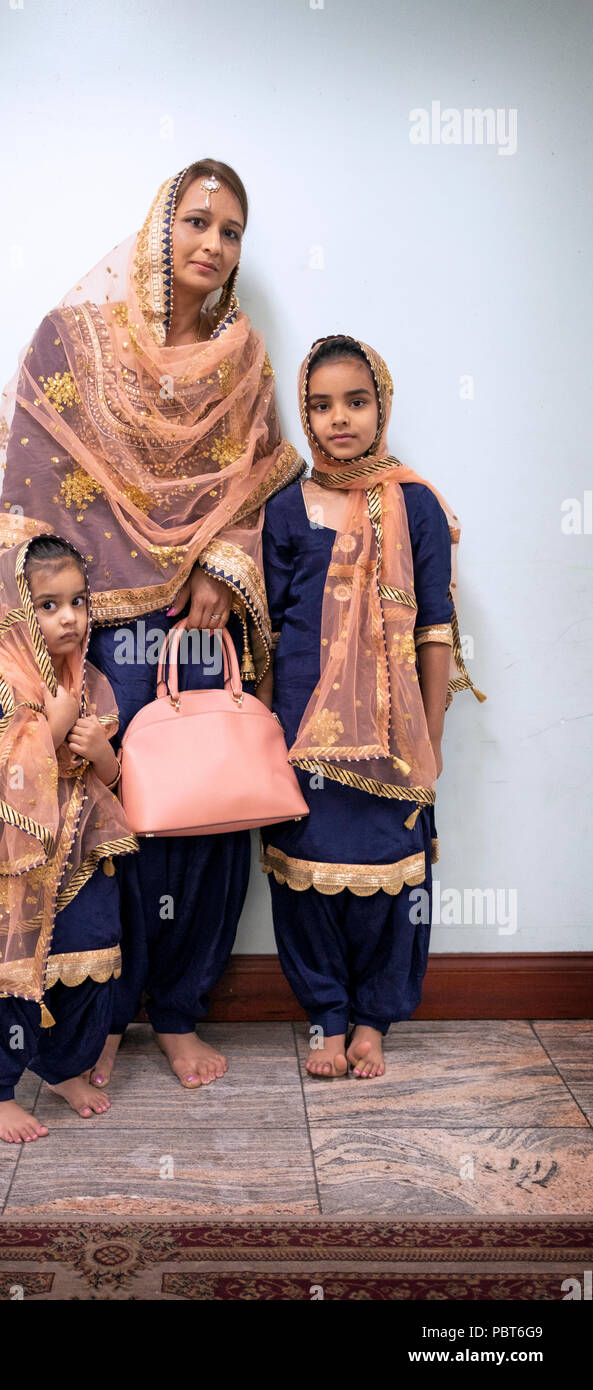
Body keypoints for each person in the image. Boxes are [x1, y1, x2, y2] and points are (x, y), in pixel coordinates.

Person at [0, 161, 304, 1088]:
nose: (211, 245)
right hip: (83, 628)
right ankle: (92, 1023)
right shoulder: (71, 340)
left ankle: (178, 1014)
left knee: (202, 817)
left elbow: (259, 481)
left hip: (186, 628)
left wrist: (224, 566)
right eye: (195, 222)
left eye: (230, 232)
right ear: (157, 229)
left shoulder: (244, 361)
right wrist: (20, 625)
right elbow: (24, 493)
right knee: (90, 830)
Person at [256, 335, 485, 1080]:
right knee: (303, 868)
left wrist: (432, 735)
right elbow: (268, 624)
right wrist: (264, 727)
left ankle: (373, 1019)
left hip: (392, 722)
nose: (337, 420)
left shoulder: (413, 503)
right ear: (305, 414)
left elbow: (433, 626)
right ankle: (325, 1014)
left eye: (354, 401)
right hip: (301, 716)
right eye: (320, 406)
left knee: (392, 866)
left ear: (380, 405)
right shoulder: (286, 505)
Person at [0, 533, 138, 1142]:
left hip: (80, 853)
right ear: (17, 611)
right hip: (15, 863)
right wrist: (52, 727)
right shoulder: (0, 683)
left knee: (89, 955)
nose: (69, 617)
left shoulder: (92, 680)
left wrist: (102, 753)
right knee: (8, 967)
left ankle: (63, 1065)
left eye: (77, 601)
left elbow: (113, 779)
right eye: (48, 605)